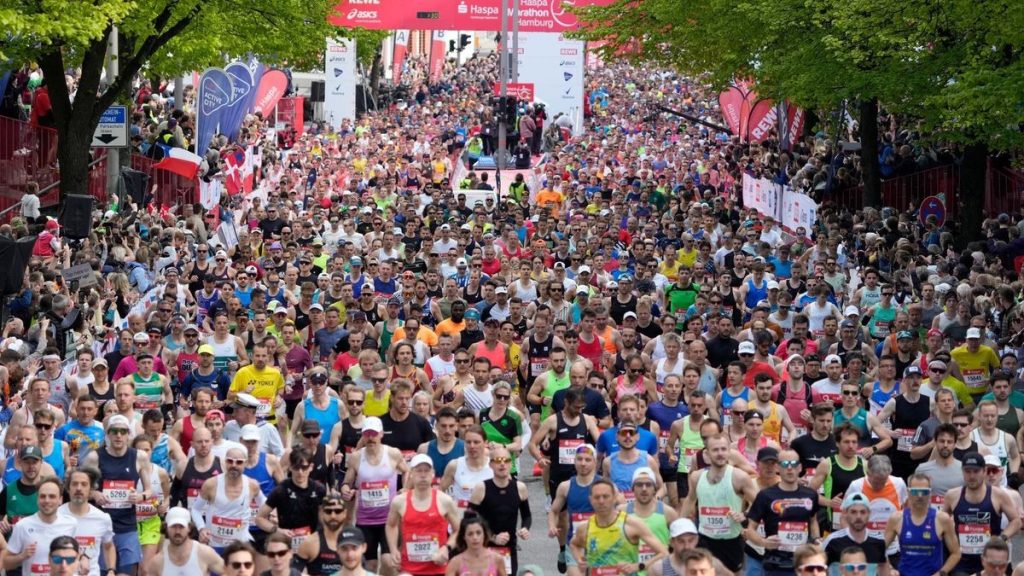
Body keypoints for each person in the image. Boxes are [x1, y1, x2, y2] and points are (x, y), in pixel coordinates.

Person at [82, 414, 155, 576]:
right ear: (107, 434)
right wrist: (94, 494)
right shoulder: (95, 457)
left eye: (123, 431)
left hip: (127, 526)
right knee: (103, 572)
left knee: (126, 573)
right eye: (114, 431)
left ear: (129, 434)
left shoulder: (139, 457)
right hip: (102, 526)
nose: (119, 435)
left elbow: (149, 490)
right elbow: (79, 489)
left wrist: (141, 496)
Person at [681, 434, 757, 574]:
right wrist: (680, 526)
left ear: (729, 451)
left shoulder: (739, 477)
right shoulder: (696, 477)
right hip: (705, 538)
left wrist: (744, 514)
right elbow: (690, 500)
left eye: (723, 449)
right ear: (707, 454)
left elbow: (759, 504)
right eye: (715, 450)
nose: (720, 453)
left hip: (731, 540)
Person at [340, 417, 406, 570]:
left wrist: (406, 488)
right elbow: (346, 482)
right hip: (365, 520)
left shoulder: (392, 453)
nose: (370, 438)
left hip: (389, 519)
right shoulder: (356, 457)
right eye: (367, 434)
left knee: (389, 562)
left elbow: (407, 471)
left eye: (374, 433)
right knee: (370, 565)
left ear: (381, 434)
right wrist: (345, 490)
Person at [744, 448, 821, 576]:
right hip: (776, 565)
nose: (789, 468)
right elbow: (750, 529)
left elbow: (813, 521)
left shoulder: (811, 495)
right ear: (778, 468)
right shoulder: (765, 496)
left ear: (800, 467)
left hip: (803, 563)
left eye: (794, 464)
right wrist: (763, 542)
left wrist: (817, 539)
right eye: (785, 464)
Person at [567, 479, 668, 575]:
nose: (601, 501)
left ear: (615, 498)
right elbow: (573, 544)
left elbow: (664, 553)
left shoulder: (631, 524)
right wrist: (580, 559)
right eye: (597, 497)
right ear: (590, 499)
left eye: (606, 496)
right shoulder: (585, 527)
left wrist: (639, 566)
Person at [942, 452, 1020, 575]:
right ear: (962, 472)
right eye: (968, 471)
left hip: (991, 563)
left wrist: (1002, 537)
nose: (972, 476)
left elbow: (1016, 521)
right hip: (961, 562)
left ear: (984, 471)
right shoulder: (952, 495)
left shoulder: (998, 495)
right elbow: (940, 524)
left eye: (976, 471)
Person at [383, 454, 460, 575]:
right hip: (409, 568)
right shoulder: (399, 501)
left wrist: (447, 548)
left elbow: (458, 530)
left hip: (438, 568)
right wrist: (393, 549)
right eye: (419, 471)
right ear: (411, 474)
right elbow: (390, 525)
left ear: (433, 473)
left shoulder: (444, 500)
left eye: (426, 471)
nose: (423, 475)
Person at [468, 444, 531, 576]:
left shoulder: (520, 487)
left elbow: (527, 516)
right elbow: (469, 519)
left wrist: (525, 528)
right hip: (484, 547)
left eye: (506, 460)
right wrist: (493, 537)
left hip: (509, 550)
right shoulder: (482, 488)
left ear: (511, 464)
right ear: (490, 465)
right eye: (498, 461)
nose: (502, 464)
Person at [883, 473, 960, 576]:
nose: (919, 496)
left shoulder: (942, 519)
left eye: (924, 492)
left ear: (930, 493)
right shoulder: (897, 518)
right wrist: (890, 569)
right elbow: (880, 548)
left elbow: (956, 553)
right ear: (908, 493)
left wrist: (941, 573)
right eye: (915, 491)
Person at [192, 446, 265, 553]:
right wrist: (201, 528)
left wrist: (272, 515)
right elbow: (195, 509)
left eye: (239, 462)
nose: (233, 465)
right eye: (230, 461)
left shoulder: (252, 485)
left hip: (240, 546)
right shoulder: (211, 484)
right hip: (214, 545)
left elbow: (266, 504)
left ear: (245, 464)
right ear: (225, 462)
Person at [1, 478, 77, 576]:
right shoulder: (23, 525)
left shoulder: (71, 524)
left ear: (60, 500)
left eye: (52, 496)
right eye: (42, 496)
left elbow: (79, 555)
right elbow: (6, 563)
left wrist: (84, 559)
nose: (47, 500)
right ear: (37, 499)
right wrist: (22, 556)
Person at [256, 448, 327, 553]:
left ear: (311, 467)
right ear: (290, 467)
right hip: (288, 545)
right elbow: (259, 519)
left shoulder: (319, 489)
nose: (300, 472)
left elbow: (325, 518)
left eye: (304, 467)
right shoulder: (281, 490)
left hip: (313, 544)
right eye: (296, 467)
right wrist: (277, 530)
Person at [60, 468, 116, 576]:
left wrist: (111, 570)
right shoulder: (57, 516)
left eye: (84, 484)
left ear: (91, 490)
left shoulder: (102, 518)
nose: (79, 488)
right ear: (68, 488)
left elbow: (109, 546)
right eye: (74, 484)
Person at [821, 493, 889, 576]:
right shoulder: (832, 541)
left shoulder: (879, 541)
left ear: (869, 514)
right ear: (845, 513)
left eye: (863, 512)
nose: (858, 516)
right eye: (853, 512)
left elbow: (884, 568)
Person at [146, 507, 224, 576]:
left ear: (189, 528)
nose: (177, 531)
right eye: (173, 526)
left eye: (181, 527)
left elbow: (229, 572)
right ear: (166, 528)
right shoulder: (157, 562)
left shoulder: (204, 553)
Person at [295, 495, 346, 576]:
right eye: (328, 511)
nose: (333, 516)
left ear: (344, 513)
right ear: (322, 513)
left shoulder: (352, 541)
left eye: (337, 511)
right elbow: (293, 572)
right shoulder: (310, 543)